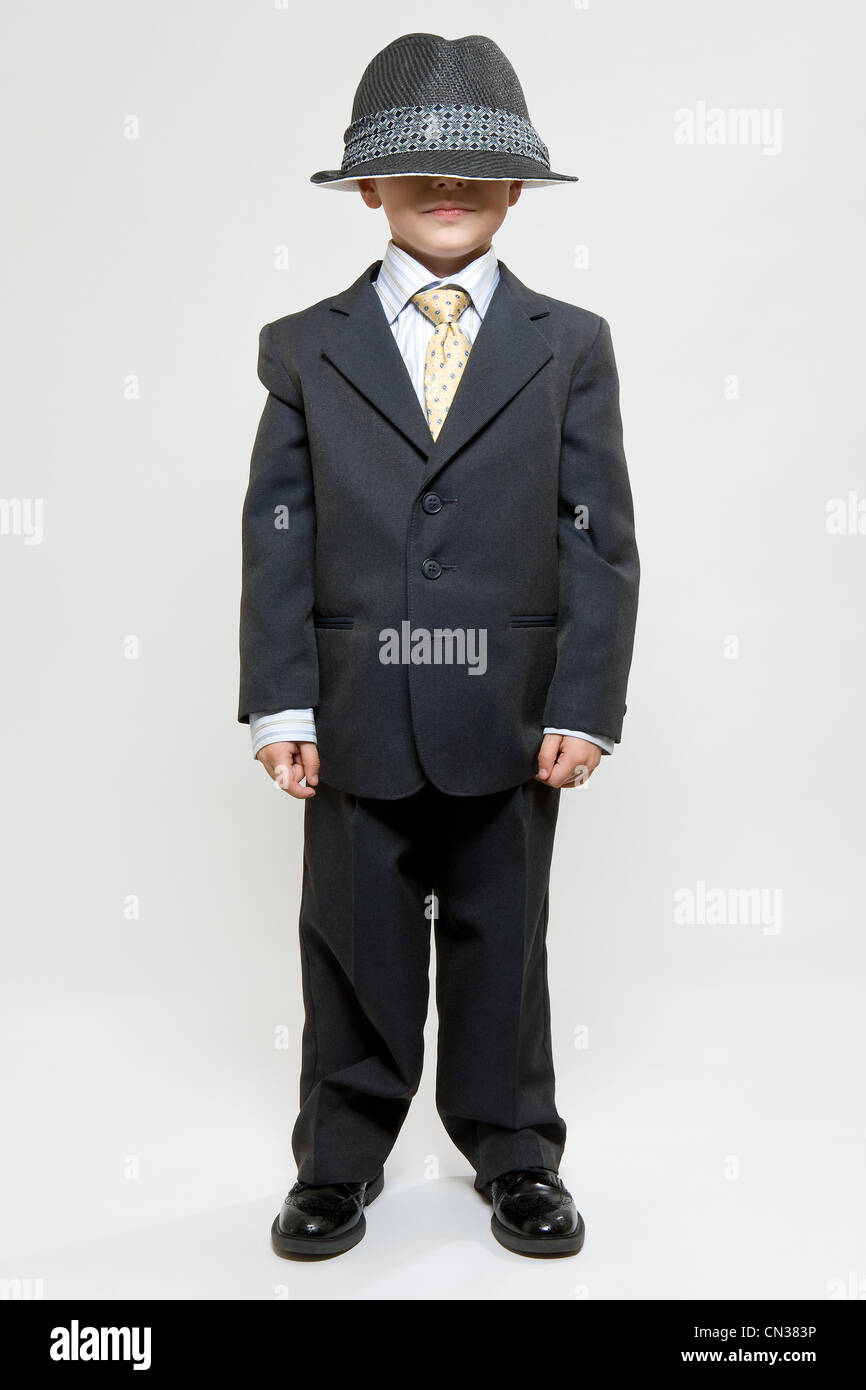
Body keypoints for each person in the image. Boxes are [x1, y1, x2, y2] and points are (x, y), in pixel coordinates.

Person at [238, 32, 640, 1259]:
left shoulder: (567, 343)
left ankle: (514, 1150)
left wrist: (583, 700)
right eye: (420, 170)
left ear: (515, 188)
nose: (449, 188)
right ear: (368, 188)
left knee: (500, 940)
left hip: (511, 710)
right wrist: (281, 705)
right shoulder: (304, 344)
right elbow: (274, 533)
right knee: (352, 941)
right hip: (354, 710)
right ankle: (338, 1159)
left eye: (476, 169)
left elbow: (599, 538)